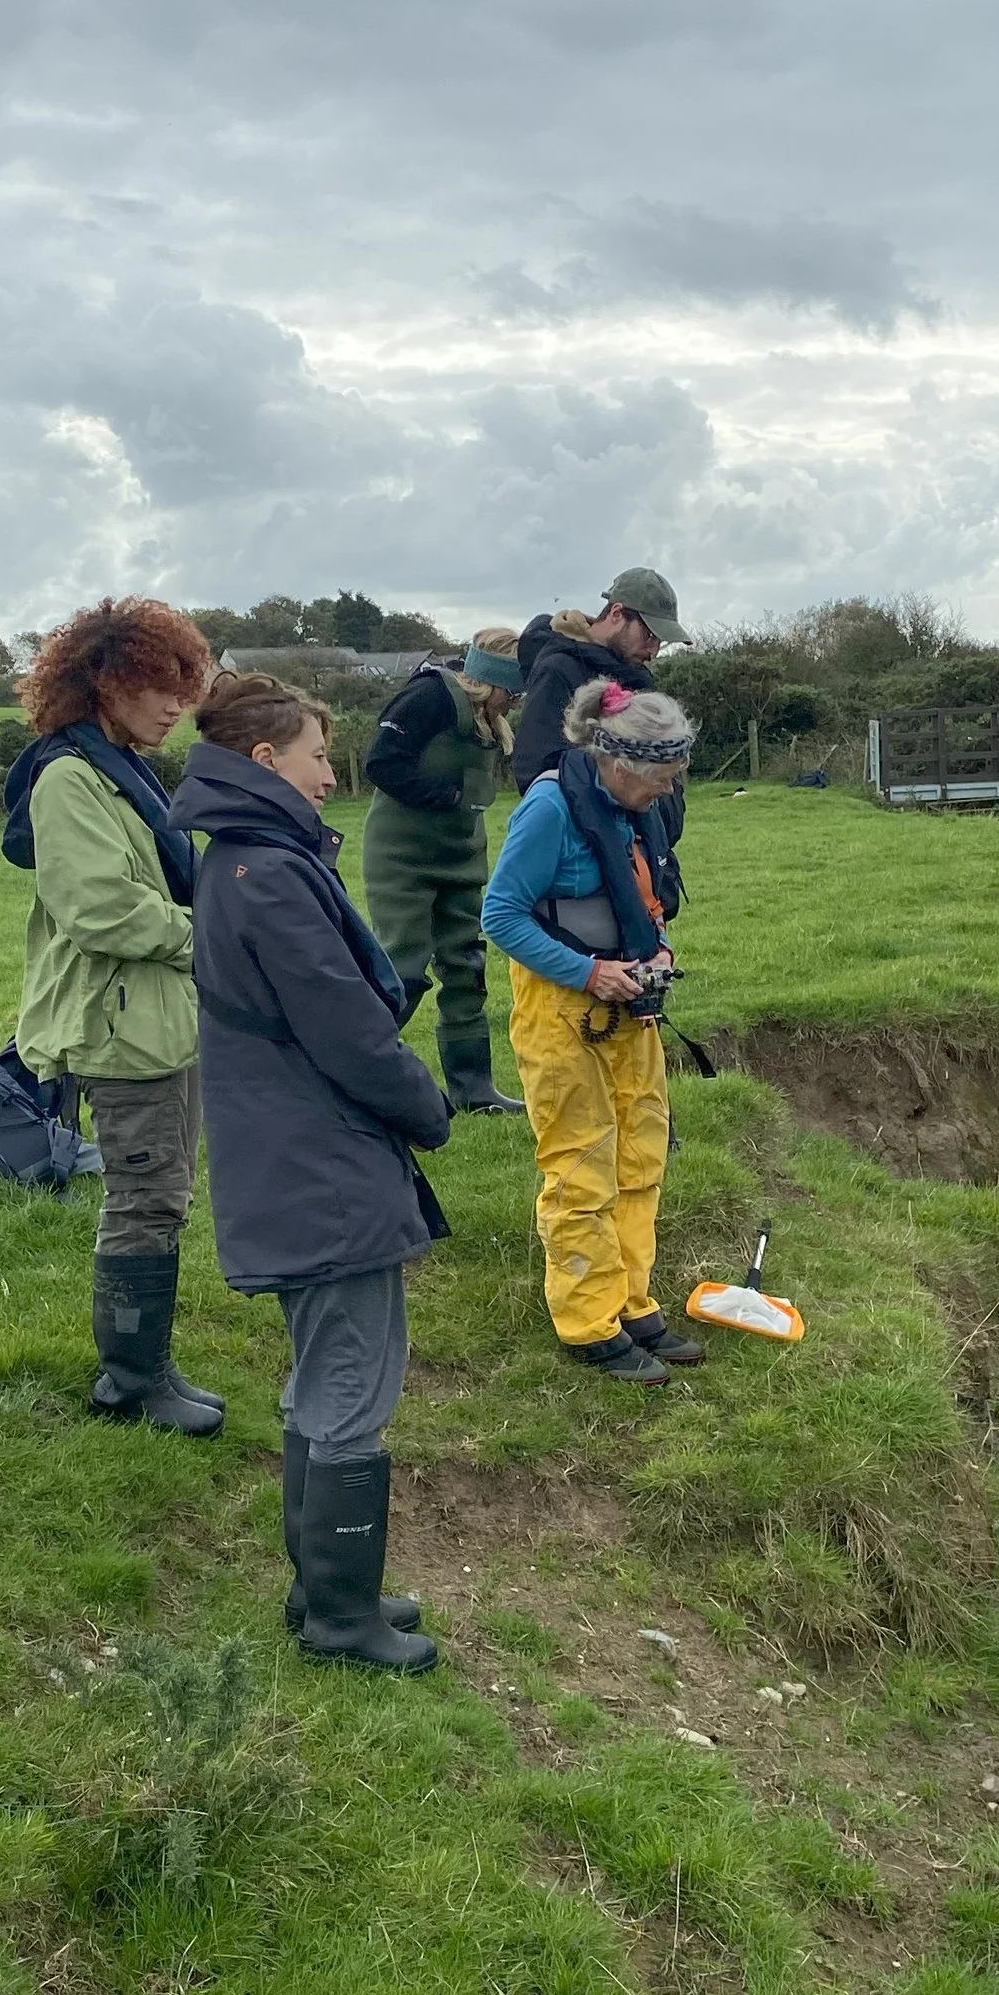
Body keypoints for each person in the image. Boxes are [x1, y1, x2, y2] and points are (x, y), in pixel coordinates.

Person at [174, 674, 451, 1673]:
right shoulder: (273, 874)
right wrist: (427, 1111)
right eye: (317, 758)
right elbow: (349, 1032)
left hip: (287, 1152)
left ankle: (319, 1591)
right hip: (320, 1159)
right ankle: (341, 1620)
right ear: (264, 763)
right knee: (349, 1383)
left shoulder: (241, 862)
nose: (332, 777)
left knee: (319, 1377)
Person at [2, 598, 225, 1435]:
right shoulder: (69, 777)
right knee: (144, 1196)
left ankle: (147, 1366)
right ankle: (130, 1381)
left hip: (157, 1014)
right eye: (157, 684)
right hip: (117, 1021)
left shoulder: (120, 766)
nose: (176, 704)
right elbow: (102, 909)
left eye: (184, 686)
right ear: (101, 678)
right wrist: (212, 937)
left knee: (164, 1192)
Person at [481, 678, 705, 1387]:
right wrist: (587, 972)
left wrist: (656, 949)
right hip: (562, 1009)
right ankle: (587, 1322)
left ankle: (633, 1303)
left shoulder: (637, 809)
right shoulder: (550, 808)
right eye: (663, 777)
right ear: (620, 762)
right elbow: (501, 915)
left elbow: (642, 896)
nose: (669, 790)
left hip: (629, 1004)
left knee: (640, 1152)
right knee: (581, 1162)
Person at [361, 627, 526, 1114]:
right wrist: (447, 796)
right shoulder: (428, 697)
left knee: (466, 968)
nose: (515, 703)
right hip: (402, 859)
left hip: (461, 858)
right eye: (513, 692)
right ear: (493, 681)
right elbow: (381, 764)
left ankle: (473, 1091)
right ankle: (360, 1076)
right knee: (403, 969)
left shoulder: (486, 718)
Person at [511, 565, 687, 791]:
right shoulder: (558, 670)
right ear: (616, 614)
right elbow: (535, 771)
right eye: (649, 635)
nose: (654, 651)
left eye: (661, 641)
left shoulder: (638, 681)